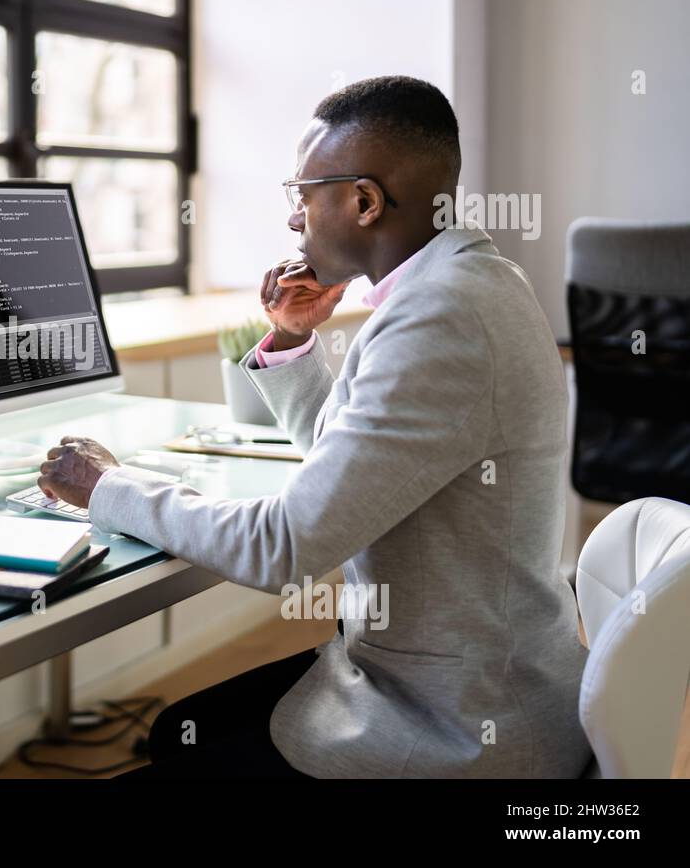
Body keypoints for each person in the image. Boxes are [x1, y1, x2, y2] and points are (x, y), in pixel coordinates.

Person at [38, 76, 592, 778]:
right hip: (466, 679)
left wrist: (108, 486)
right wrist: (296, 340)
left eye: (301, 196)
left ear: (363, 201)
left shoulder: (440, 319)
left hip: (460, 725)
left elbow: (286, 547)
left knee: (183, 738)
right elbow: (361, 466)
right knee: (182, 727)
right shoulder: (467, 282)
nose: (294, 221)